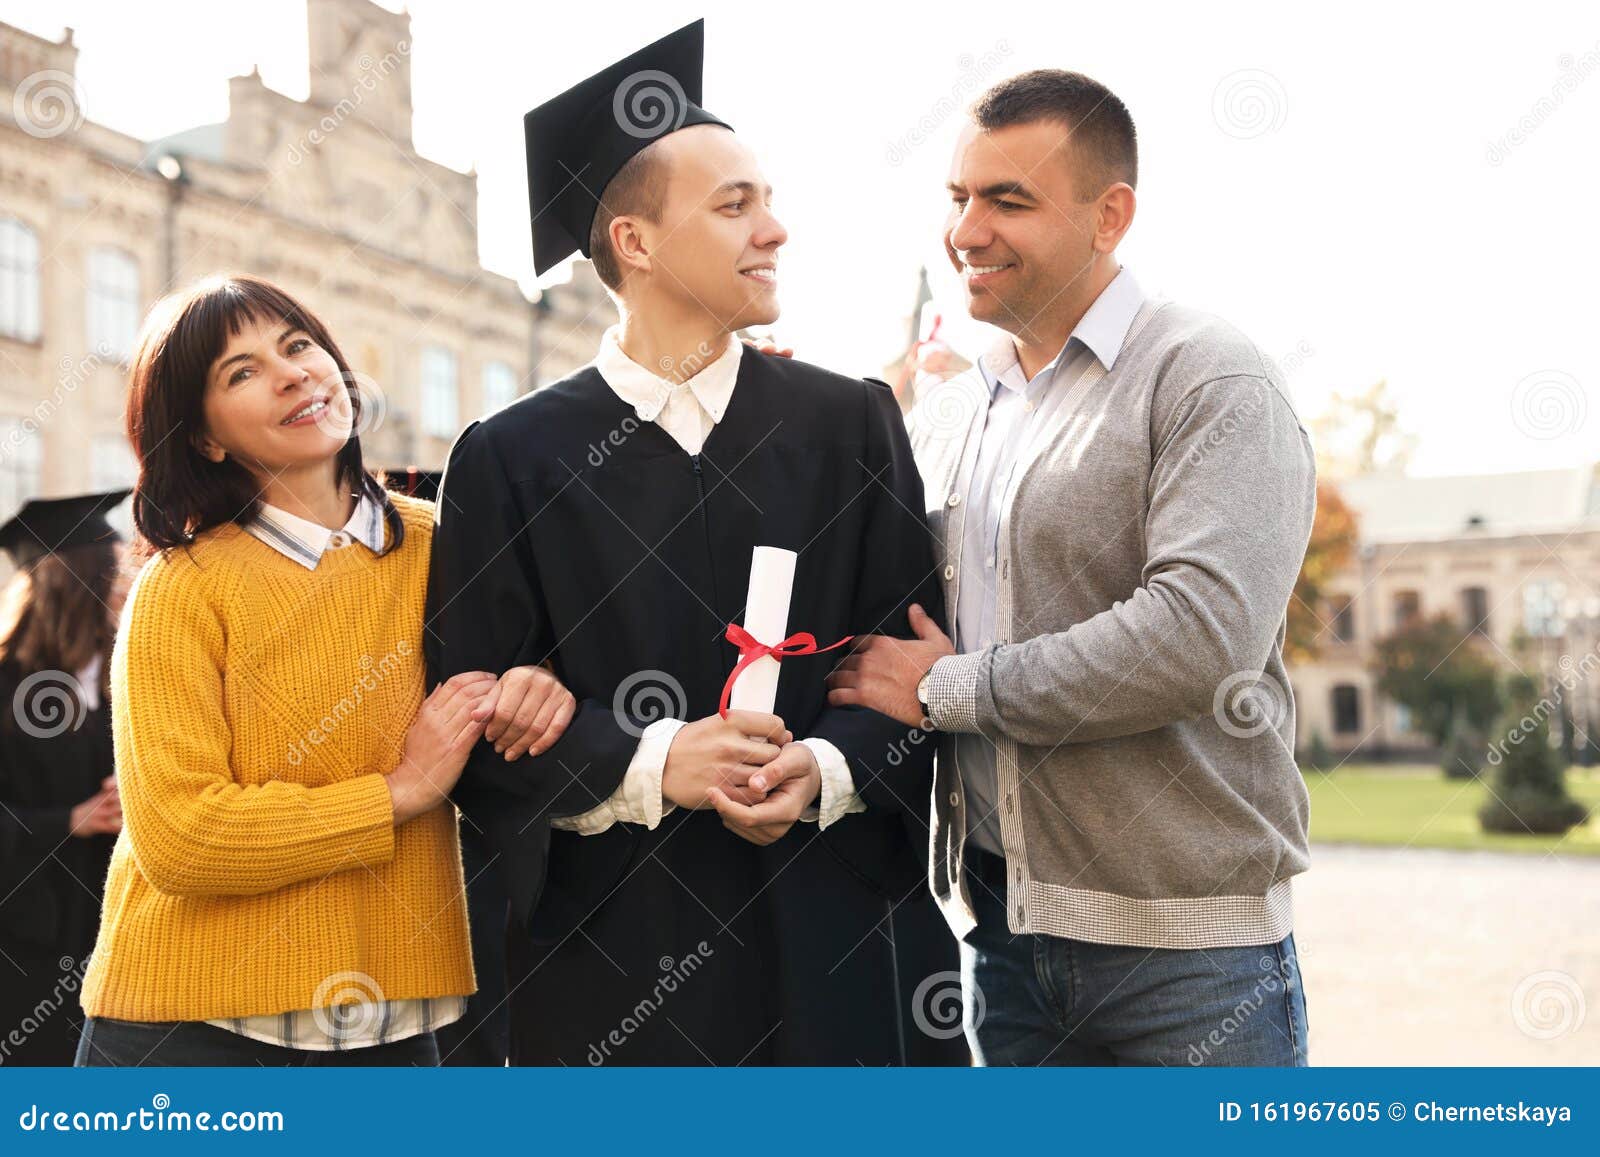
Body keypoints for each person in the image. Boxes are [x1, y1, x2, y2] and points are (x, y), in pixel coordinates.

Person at [426, 21, 964, 1065]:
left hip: (839, 940)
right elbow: (469, 732)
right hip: (614, 972)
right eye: (735, 206)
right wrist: (655, 759)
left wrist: (824, 765)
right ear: (635, 242)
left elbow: (914, 675)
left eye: (765, 199)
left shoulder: (847, 422)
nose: (775, 230)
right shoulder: (512, 457)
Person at [830, 70, 1317, 1066]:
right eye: (959, 198)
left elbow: (1194, 638)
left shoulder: (1204, 372)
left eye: (1008, 201)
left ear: (1110, 215)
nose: (967, 231)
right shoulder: (959, 409)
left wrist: (943, 688)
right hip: (1005, 942)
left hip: (1189, 964)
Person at [75, 275, 569, 1066]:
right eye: (241, 371)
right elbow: (182, 837)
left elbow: (540, 677)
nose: (292, 372)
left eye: (298, 345)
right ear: (206, 438)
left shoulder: (453, 548)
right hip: (192, 1033)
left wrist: (541, 682)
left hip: (394, 1030)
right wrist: (399, 791)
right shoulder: (184, 587)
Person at [0, 492, 128, 1065]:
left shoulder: (128, 668)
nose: (131, 586)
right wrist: (67, 822)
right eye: (117, 572)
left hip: (115, 924)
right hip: (29, 930)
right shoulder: (7, 682)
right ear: (81, 581)